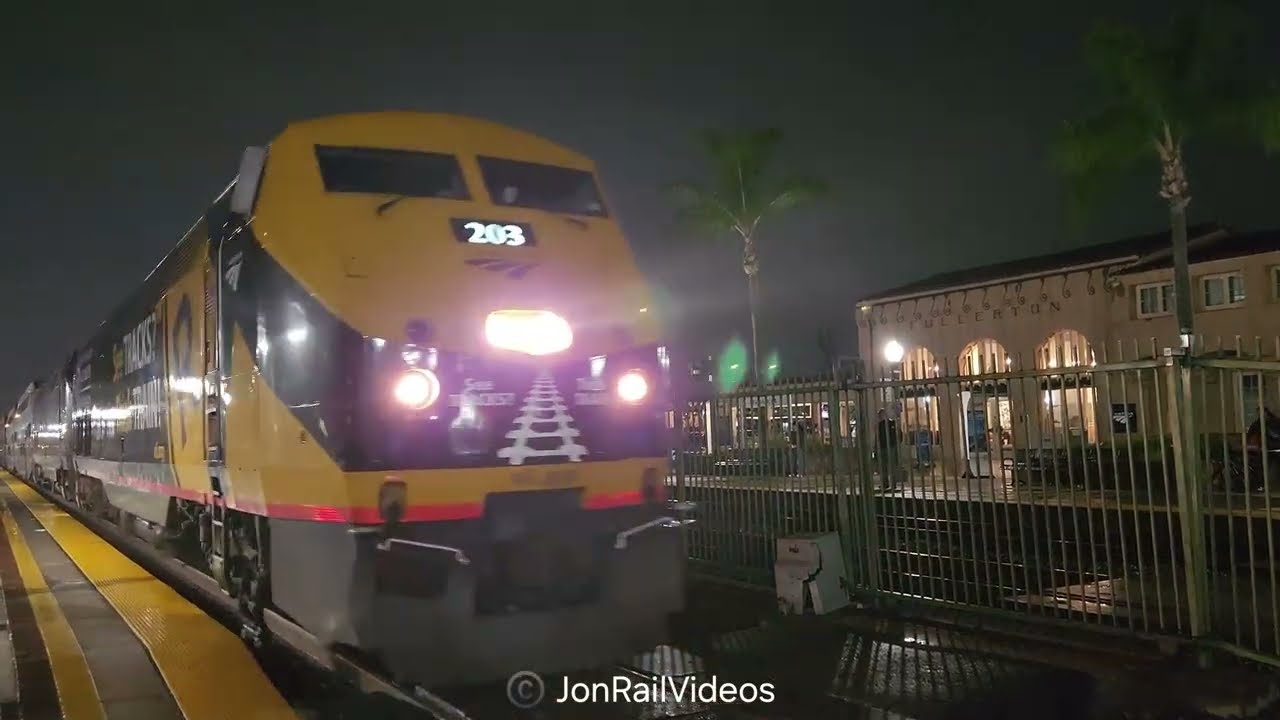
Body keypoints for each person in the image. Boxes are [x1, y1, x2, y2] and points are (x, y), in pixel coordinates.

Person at [876, 408, 901, 490]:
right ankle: (886, 484)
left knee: (889, 466)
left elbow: (898, 434)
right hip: (884, 447)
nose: (880, 417)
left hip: (889, 447)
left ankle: (891, 484)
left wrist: (895, 443)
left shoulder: (891, 423)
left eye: (881, 415)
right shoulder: (880, 425)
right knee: (885, 467)